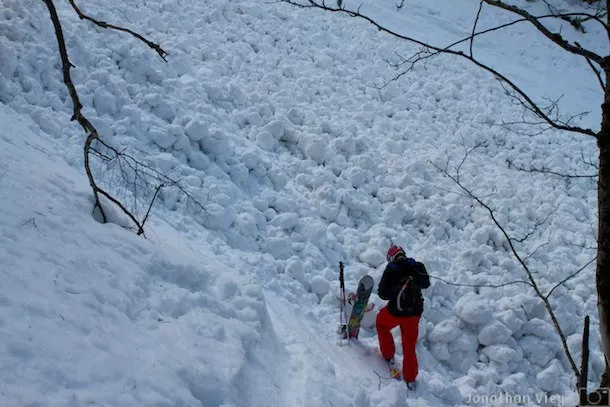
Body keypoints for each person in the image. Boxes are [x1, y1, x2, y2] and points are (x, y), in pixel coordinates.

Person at [376, 244, 430, 389]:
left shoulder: (391, 269)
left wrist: (396, 288)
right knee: (409, 344)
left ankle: (388, 354)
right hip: (414, 313)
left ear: (390, 258)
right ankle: (410, 377)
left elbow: (382, 294)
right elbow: (426, 283)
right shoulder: (417, 266)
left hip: (396, 311)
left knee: (381, 323)